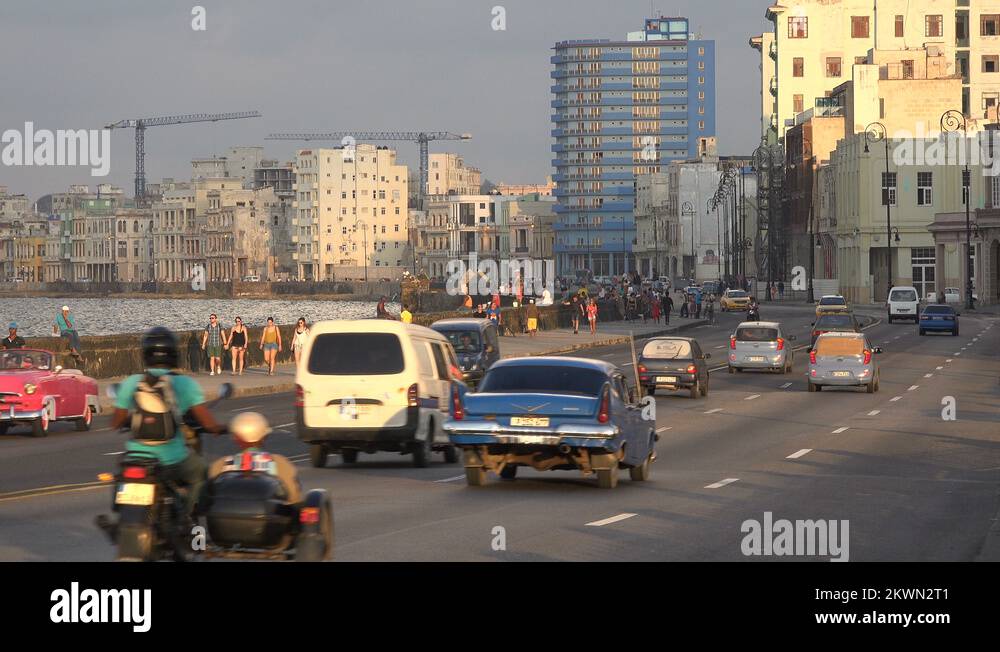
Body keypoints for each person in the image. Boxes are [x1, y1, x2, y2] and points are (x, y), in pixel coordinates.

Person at [110, 327, 226, 518]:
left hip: (136, 456)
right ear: (173, 354)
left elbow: (116, 422)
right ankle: (188, 516)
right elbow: (208, 423)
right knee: (201, 473)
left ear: (145, 354)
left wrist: (134, 418)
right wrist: (220, 428)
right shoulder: (185, 384)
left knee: (121, 473)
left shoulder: (131, 382)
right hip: (172, 458)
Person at [208, 412, 301, 504]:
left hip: (227, 516)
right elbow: (293, 496)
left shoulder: (220, 465)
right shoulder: (278, 462)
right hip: (267, 517)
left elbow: (210, 496)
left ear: (236, 438)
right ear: (265, 436)